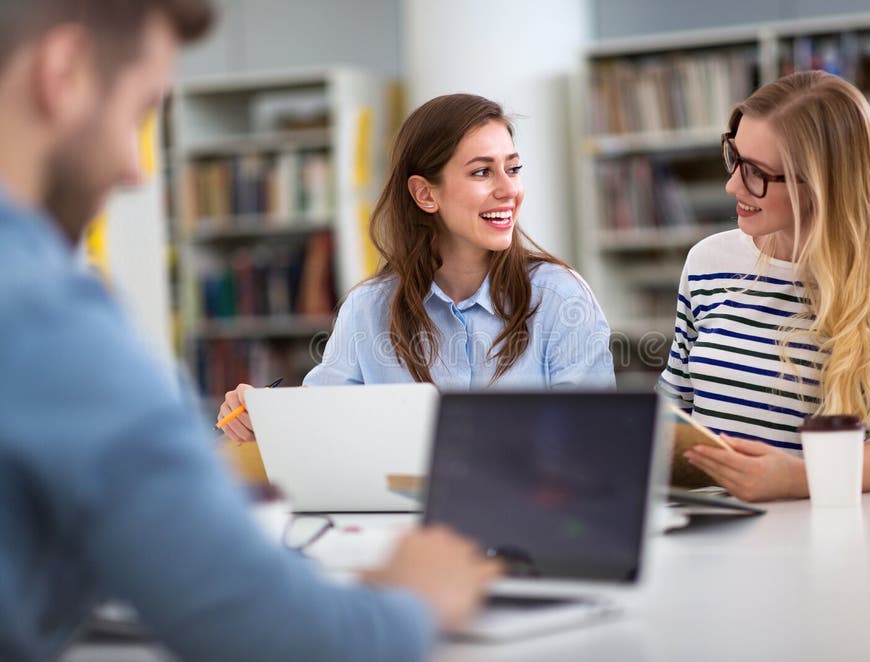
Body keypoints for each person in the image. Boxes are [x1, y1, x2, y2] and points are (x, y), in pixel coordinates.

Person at [0, 2, 502, 660]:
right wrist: (417, 601)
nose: (136, 169)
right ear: (62, 74)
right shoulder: (44, 314)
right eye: (139, 114)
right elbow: (276, 634)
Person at [219, 93, 614, 442]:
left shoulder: (560, 298)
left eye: (512, 168)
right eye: (482, 171)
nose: (509, 190)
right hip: (399, 522)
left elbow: (595, 443)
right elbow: (318, 427)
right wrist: (259, 416)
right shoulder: (368, 308)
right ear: (425, 194)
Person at [658, 70, 870, 503]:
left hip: (829, 534)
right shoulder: (706, 263)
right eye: (734, 158)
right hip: (708, 530)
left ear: (822, 183)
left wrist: (796, 478)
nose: (732, 184)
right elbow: (673, 402)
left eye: (756, 173)